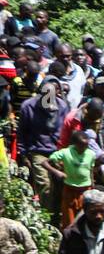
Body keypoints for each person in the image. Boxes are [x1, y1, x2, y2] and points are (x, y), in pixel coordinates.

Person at [16, 79, 67, 217]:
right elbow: (22, 131)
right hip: (37, 150)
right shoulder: (28, 106)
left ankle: (57, 214)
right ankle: (47, 217)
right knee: (45, 185)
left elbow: (64, 131)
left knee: (60, 184)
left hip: (57, 150)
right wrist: (24, 154)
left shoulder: (62, 106)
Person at [44, 127, 96, 229]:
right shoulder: (65, 152)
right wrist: (57, 172)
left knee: (85, 219)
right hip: (70, 190)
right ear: (75, 144)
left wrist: (92, 186)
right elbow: (44, 162)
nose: (84, 148)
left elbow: (90, 170)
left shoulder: (91, 154)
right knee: (69, 220)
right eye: (82, 146)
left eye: (86, 146)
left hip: (85, 190)